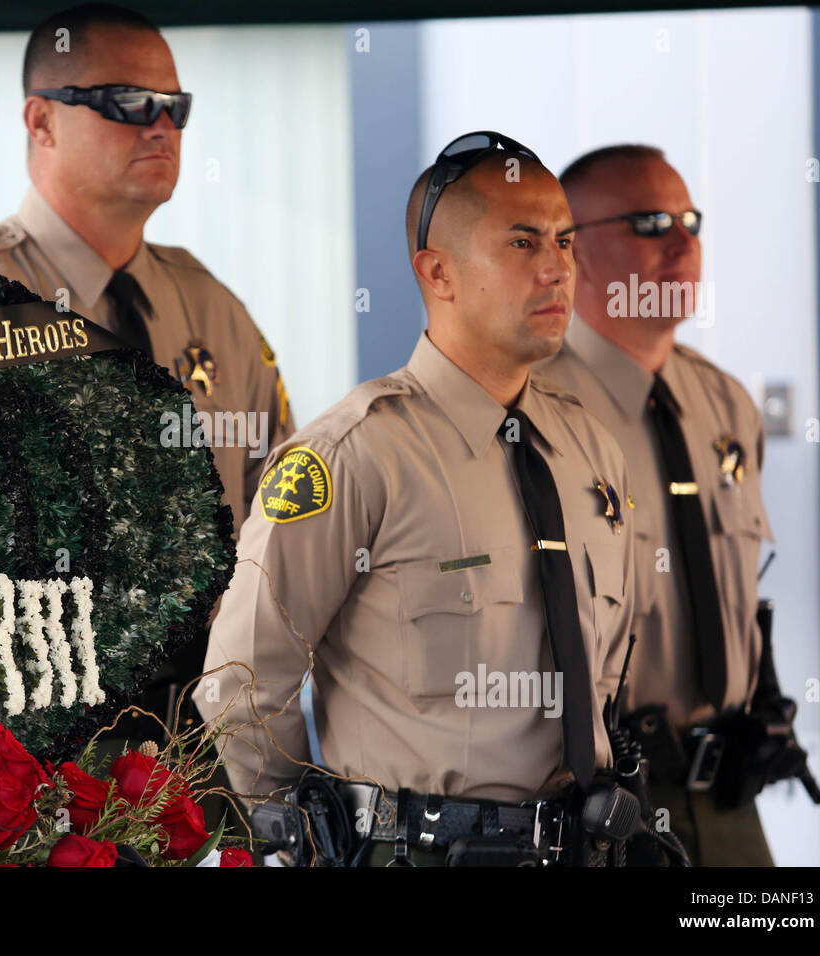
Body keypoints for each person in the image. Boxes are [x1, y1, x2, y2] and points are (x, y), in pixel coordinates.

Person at [199, 133, 638, 866]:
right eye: (523, 243)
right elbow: (241, 677)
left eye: (564, 242)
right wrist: (302, 833)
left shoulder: (594, 450)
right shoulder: (352, 454)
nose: (558, 267)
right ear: (438, 273)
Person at [0, 3, 295, 746]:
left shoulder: (209, 306)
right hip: (27, 747)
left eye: (175, 107)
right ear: (40, 122)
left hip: (202, 737)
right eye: (128, 103)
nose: (160, 128)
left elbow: (285, 520)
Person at [536, 145, 776, 866]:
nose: (683, 242)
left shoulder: (724, 402)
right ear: (570, 250)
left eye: (689, 219)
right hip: (601, 812)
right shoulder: (532, 409)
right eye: (649, 222)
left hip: (730, 797)